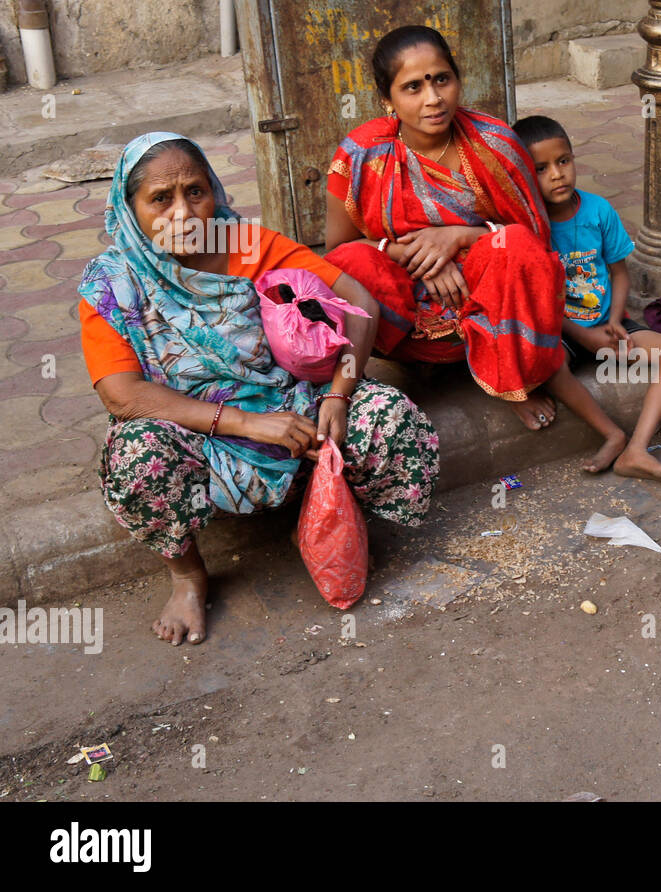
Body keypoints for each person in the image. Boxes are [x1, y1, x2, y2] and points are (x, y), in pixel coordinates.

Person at [79, 132, 439, 647]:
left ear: (215, 192)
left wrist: (339, 392)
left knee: (388, 417)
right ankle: (187, 576)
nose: (183, 212)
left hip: (294, 407)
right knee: (136, 459)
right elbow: (121, 394)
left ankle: (320, 518)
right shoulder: (112, 285)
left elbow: (357, 300)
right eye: (161, 199)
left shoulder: (242, 242)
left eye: (195, 192)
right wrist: (246, 423)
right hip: (197, 430)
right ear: (129, 207)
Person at [325, 25, 603, 443]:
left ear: (457, 79)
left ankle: (510, 376)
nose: (433, 98)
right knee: (353, 266)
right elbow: (338, 252)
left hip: (486, 297)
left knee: (519, 251)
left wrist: (458, 237)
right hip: (408, 314)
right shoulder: (363, 154)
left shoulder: (496, 145)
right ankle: (410, 367)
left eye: (441, 79)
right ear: (388, 100)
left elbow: (533, 238)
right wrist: (412, 257)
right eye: (412, 87)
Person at [514, 114, 661, 481]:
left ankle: (637, 449)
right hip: (563, 330)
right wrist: (583, 335)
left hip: (609, 327)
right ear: (523, 177)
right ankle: (612, 433)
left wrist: (612, 322)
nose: (557, 174)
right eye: (541, 168)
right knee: (550, 366)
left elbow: (619, 272)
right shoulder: (530, 227)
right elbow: (540, 300)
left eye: (563, 161)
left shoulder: (598, 211)